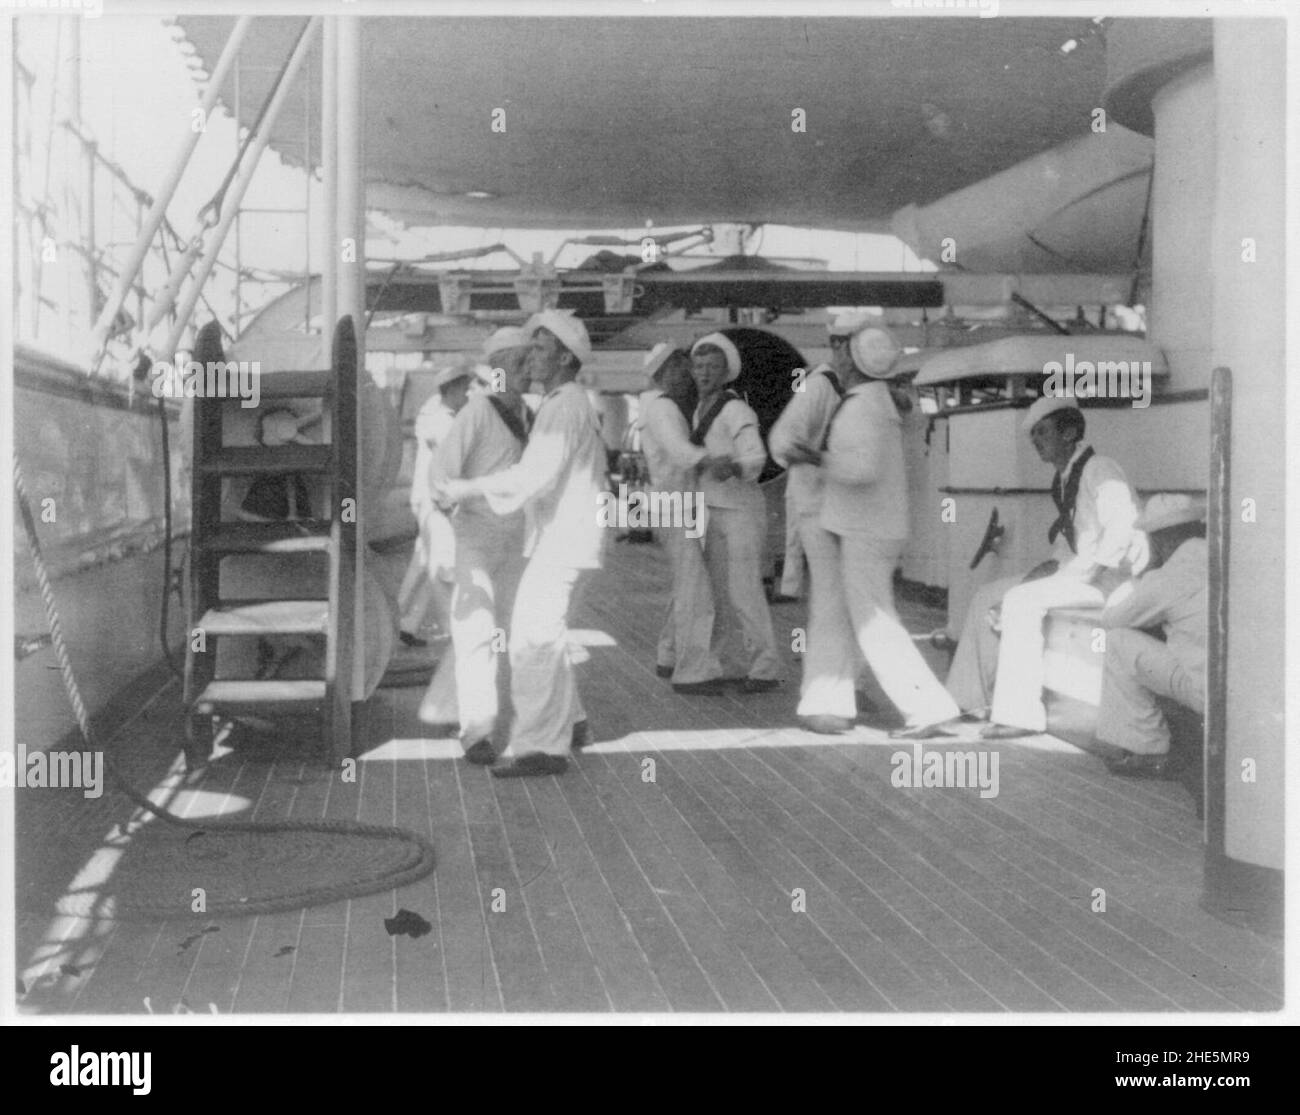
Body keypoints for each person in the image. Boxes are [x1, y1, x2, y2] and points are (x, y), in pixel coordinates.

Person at [435, 309, 606, 778]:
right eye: (524, 352)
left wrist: (467, 489)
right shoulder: (557, 403)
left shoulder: (559, 406)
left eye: (539, 348)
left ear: (567, 357)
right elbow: (445, 473)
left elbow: (533, 476)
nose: (531, 359)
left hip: (553, 539)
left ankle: (540, 748)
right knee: (536, 635)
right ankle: (556, 726)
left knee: (532, 639)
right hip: (530, 537)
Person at [946, 396, 1140, 739]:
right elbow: (1067, 547)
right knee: (988, 595)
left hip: (1109, 579)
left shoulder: (1100, 469)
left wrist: (1099, 579)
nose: (1036, 441)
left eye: (1043, 432)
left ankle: (1020, 716)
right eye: (1033, 434)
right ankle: (970, 701)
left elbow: (1121, 526)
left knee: (1021, 602)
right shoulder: (1064, 478)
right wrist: (1038, 575)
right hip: (1079, 573)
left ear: (1069, 433)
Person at [806, 324, 962, 738]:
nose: (835, 358)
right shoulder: (880, 401)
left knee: (876, 625)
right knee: (873, 620)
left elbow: (861, 469)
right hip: (877, 526)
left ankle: (927, 708)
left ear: (853, 361)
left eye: (841, 350)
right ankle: (909, 704)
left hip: (866, 530)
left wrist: (816, 457)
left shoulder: (860, 405)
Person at [419, 328, 533, 764]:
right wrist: (453, 507)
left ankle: (527, 718)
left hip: (517, 539)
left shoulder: (528, 413)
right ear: (499, 368)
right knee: (477, 632)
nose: (528, 371)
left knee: (515, 632)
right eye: (519, 363)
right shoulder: (477, 413)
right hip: (478, 538)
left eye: (530, 363)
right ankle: (477, 732)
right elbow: (441, 477)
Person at [768, 312, 860, 732]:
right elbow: (782, 441)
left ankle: (844, 688)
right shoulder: (820, 385)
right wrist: (820, 460)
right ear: (840, 347)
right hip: (817, 506)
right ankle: (821, 699)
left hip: (838, 506)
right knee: (829, 599)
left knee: (846, 599)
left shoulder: (849, 388)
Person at [689, 332, 782, 692]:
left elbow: (757, 456)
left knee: (744, 591)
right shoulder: (700, 409)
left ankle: (765, 668)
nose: (704, 373)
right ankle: (730, 663)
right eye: (699, 366)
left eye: (712, 367)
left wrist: (735, 466)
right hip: (713, 509)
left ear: (726, 371)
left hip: (740, 510)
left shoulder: (735, 409)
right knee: (719, 594)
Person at [1095, 493, 1207, 777]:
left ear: (1159, 540)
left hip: (1208, 692)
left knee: (1118, 641)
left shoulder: (1168, 576)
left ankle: (1150, 751)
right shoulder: (1229, 557)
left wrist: (1138, 577)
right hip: (1248, 689)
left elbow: (1112, 619)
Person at [638, 342, 726, 694]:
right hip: (674, 504)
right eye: (681, 366)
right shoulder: (660, 407)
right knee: (697, 592)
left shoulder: (661, 406)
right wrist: (711, 460)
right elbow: (679, 450)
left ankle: (669, 653)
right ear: (666, 371)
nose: (690, 373)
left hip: (676, 503)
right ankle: (693, 673)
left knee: (685, 585)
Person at [396, 363, 472, 647]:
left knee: (424, 562)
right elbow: (449, 461)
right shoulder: (438, 419)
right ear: (451, 389)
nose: (467, 394)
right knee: (442, 565)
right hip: (434, 501)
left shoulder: (443, 412)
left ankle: (404, 623)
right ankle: (454, 630)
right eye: (464, 389)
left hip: (432, 499)